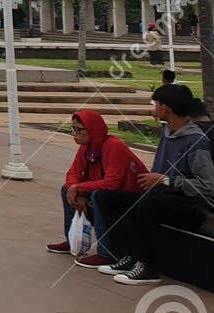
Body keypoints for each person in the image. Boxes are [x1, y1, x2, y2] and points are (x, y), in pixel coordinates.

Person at [93, 84, 214, 284]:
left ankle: (148, 268)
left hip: (192, 205)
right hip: (163, 197)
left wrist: (165, 180)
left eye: (156, 103)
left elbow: (207, 186)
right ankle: (130, 255)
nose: (154, 107)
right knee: (105, 197)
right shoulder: (167, 132)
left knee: (147, 204)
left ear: (165, 107)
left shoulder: (196, 141)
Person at [47, 108, 146, 265]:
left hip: (128, 199)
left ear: (92, 129)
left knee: (98, 195)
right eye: (73, 129)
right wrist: (76, 190)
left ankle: (107, 253)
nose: (74, 134)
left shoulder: (114, 146)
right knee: (67, 189)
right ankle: (73, 240)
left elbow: (112, 183)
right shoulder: (86, 148)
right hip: (105, 195)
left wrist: (79, 188)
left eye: (79, 129)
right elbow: (72, 174)